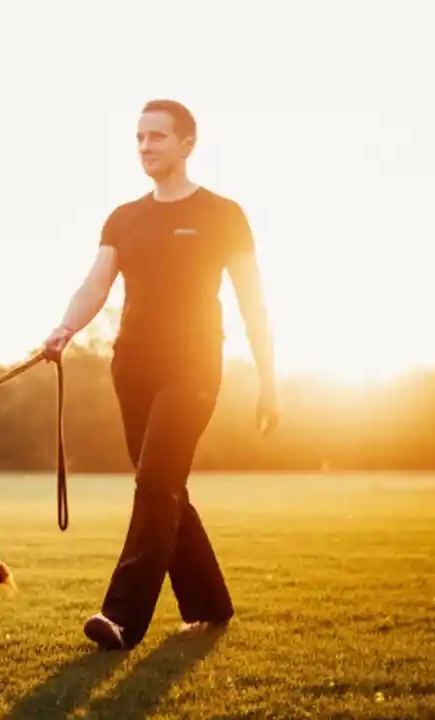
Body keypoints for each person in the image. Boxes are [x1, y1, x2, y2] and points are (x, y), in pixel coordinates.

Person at [42, 99, 280, 651]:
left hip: (195, 368)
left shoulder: (224, 213)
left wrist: (270, 382)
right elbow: (95, 285)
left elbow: (254, 303)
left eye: (157, 137)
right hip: (132, 369)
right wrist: (65, 328)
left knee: (154, 483)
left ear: (187, 144)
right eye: (139, 137)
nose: (145, 147)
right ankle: (210, 604)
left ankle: (121, 617)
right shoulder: (123, 217)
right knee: (166, 487)